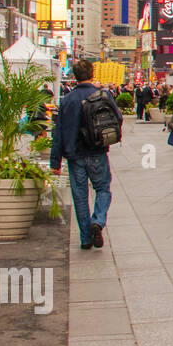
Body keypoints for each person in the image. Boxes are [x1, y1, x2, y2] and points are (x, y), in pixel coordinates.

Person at [50, 58, 118, 250]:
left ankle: (86, 238)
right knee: (103, 188)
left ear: (73, 76)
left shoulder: (68, 99)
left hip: (75, 154)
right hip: (97, 150)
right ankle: (98, 220)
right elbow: (117, 118)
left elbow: (59, 132)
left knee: (80, 195)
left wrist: (55, 161)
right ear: (92, 74)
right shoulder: (102, 95)